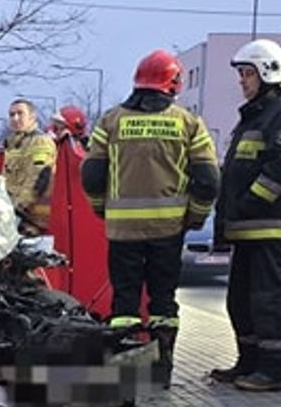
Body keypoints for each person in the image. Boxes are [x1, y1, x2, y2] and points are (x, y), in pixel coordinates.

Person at [81, 50, 218, 387]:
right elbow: (208, 179)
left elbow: (92, 174)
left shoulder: (111, 121)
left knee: (124, 303)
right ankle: (161, 370)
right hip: (168, 230)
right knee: (163, 302)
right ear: (173, 84)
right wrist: (196, 217)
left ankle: (126, 373)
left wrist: (101, 209)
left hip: (122, 231)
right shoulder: (188, 123)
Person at [210, 38, 281, 392]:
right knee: (240, 301)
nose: (242, 81)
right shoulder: (254, 115)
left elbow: (279, 172)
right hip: (247, 228)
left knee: (268, 301)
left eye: (248, 73)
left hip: (269, 228)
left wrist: (244, 206)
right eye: (241, 74)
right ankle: (249, 363)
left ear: (267, 73)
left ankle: (274, 371)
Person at [2, 98, 57, 233]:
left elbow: (38, 178)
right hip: (14, 214)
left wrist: (17, 206)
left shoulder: (40, 142)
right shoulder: (13, 144)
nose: (15, 118)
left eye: (20, 113)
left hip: (32, 219)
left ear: (32, 117)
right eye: (12, 115)